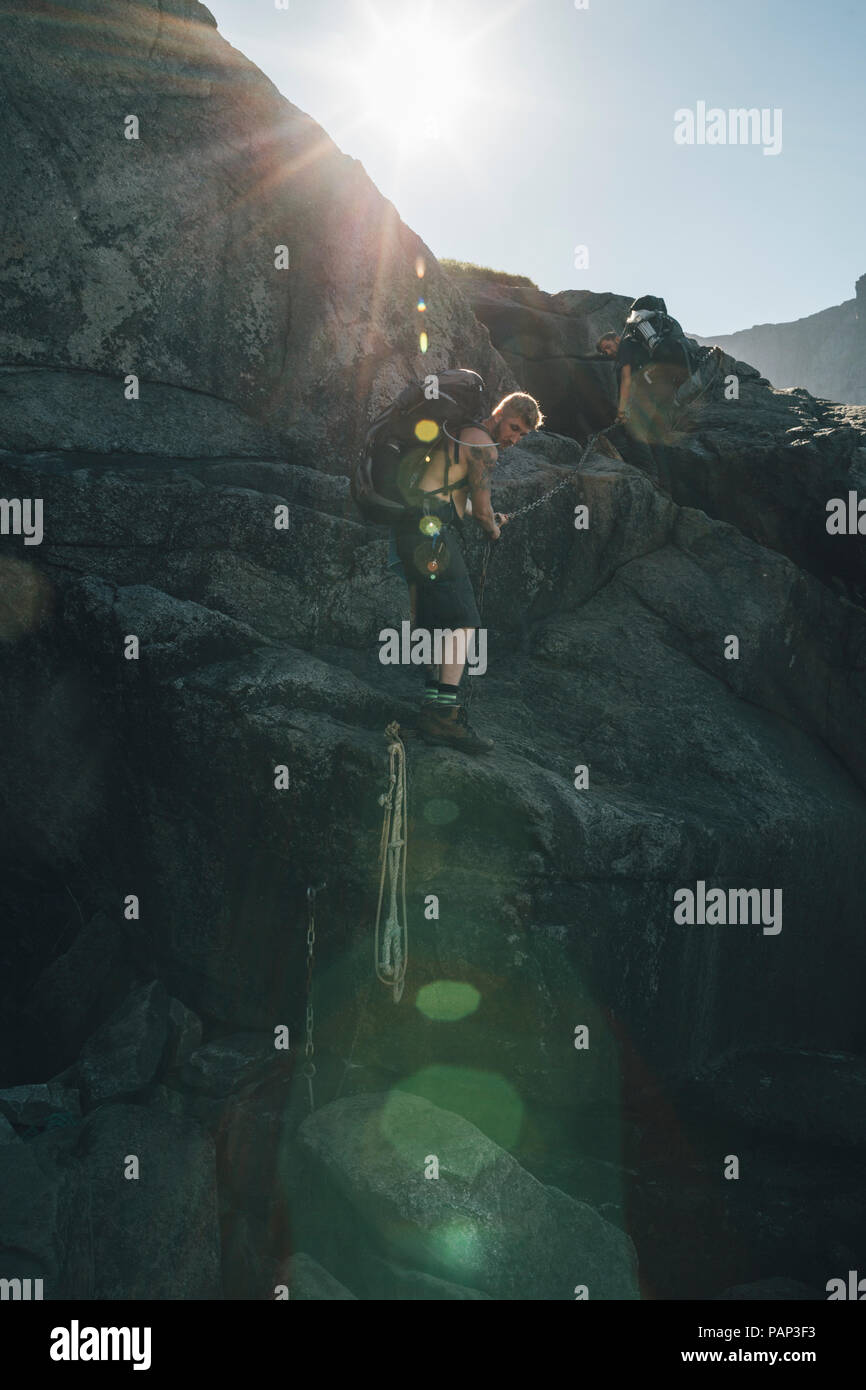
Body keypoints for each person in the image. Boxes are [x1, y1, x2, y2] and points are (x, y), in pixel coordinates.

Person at [391, 391, 543, 754]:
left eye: (522, 435)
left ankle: (432, 710)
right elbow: (481, 514)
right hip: (432, 535)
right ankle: (445, 716)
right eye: (514, 428)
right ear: (501, 412)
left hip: (412, 528)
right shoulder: (484, 448)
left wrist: (491, 517)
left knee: (435, 622)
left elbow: (457, 496)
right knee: (464, 620)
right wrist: (493, 527)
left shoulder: (461, 433)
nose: (514, 439)